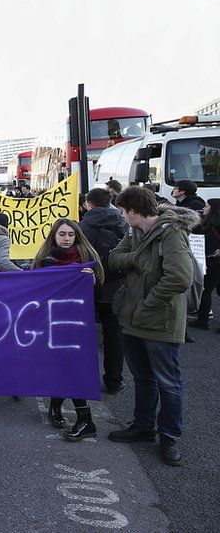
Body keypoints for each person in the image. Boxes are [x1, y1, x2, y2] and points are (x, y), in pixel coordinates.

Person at [107, 186, 196, 466]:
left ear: (133, 210)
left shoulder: (171, 233)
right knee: (143, 378)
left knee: (169, 383)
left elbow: (180, 278)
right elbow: (114, 258)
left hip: (159, 321)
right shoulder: (134, 233)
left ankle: (169, 436)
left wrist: (148, 304)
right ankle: (144, 426)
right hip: (133, 319)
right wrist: (138, 258)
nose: (122, 217)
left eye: (123, 211)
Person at [32, 219, 105, 441]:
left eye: (71, 234)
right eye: (62, 234)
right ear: (54, 236)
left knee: (72, 368)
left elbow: (101, 294)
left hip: (77, 327)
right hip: (52, 324)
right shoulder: (45, 262)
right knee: (58, 365)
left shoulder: (87, 261)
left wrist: (92, 282)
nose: (66, 238)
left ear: (77, 236)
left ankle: (86, 419)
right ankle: (56, 404)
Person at [79, 188, 128, 393]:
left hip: (86, 287)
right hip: (115, 287)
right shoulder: (123, 225)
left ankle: (82, 379)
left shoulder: (81, 227)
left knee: (82, 335)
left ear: (89, 205)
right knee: (114, 336)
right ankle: (114, 381)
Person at [190, 198, 220, 330]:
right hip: (216, 260)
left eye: (207, 206)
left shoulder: (204, 224)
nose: (204, 208)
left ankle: (202, 320)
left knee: (206, 290)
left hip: (209, 260)